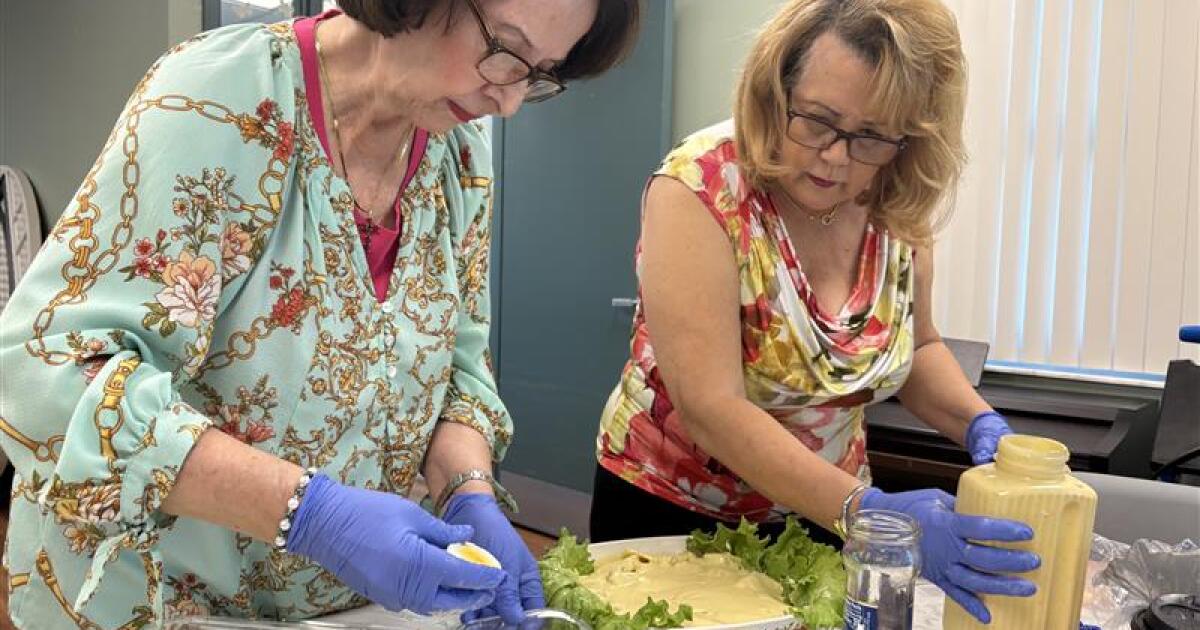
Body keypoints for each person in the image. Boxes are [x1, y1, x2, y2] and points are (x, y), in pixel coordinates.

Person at [0, 1, 638, 627]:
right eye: (504, 49)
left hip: (340, 608)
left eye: (541, 73)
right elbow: (44, 372)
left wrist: (466, 488)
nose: (510, 101)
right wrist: (309, 513)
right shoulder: (217, 105)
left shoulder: (459, 157)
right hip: (154, 600)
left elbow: (459, 372)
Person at [591, 0, 1037, 623]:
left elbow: (919, 350)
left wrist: (981, 426)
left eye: (871, 136)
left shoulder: (894, 199)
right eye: (818, 122)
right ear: (778, 90)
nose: (835, 157)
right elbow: (712, 407)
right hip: (677, 512)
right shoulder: (702, 188)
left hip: (832, 508)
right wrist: (866, 512)